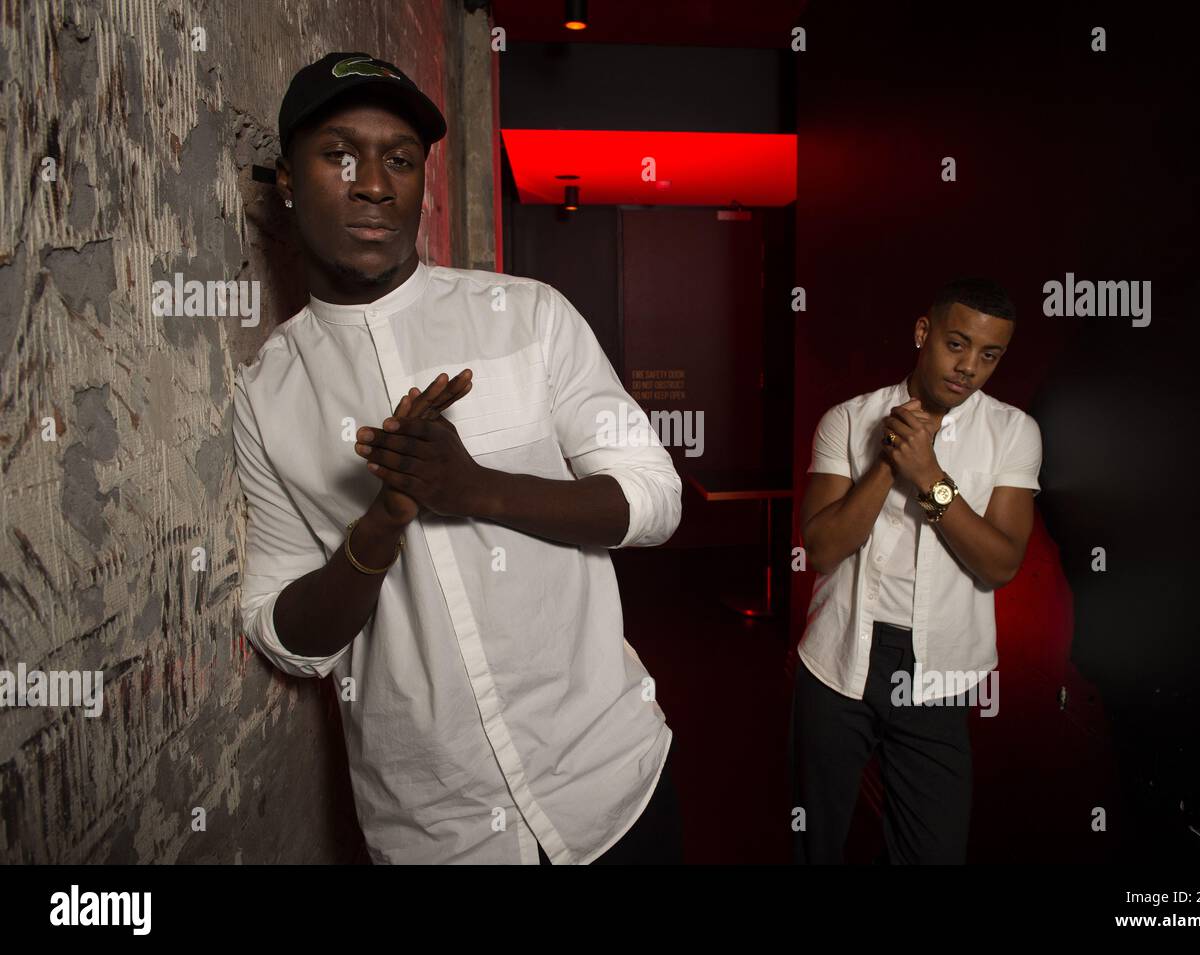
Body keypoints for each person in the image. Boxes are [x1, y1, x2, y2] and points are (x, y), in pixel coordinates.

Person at [233, 52, 683, 864]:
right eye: (340, 154)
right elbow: (286, 633)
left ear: (422, 186)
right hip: (436, 830)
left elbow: (655, 499)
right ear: (288, 184)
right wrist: (378, 528)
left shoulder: (528, 315)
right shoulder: (266, 394)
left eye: (399, 159)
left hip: (612, 788)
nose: (374, 182)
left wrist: (474, 488)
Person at [791, 277, 1042, 863]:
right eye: (957, 344)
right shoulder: (848, 420)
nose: (969, 367)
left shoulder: (1013, 433)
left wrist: (928, 473)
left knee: (933, 852)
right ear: (923, 333)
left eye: (989, 355)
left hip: (939, 671)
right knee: (813, 841)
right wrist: (890, 462)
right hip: (838, 656)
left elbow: (1001, 563)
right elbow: (822, 547)